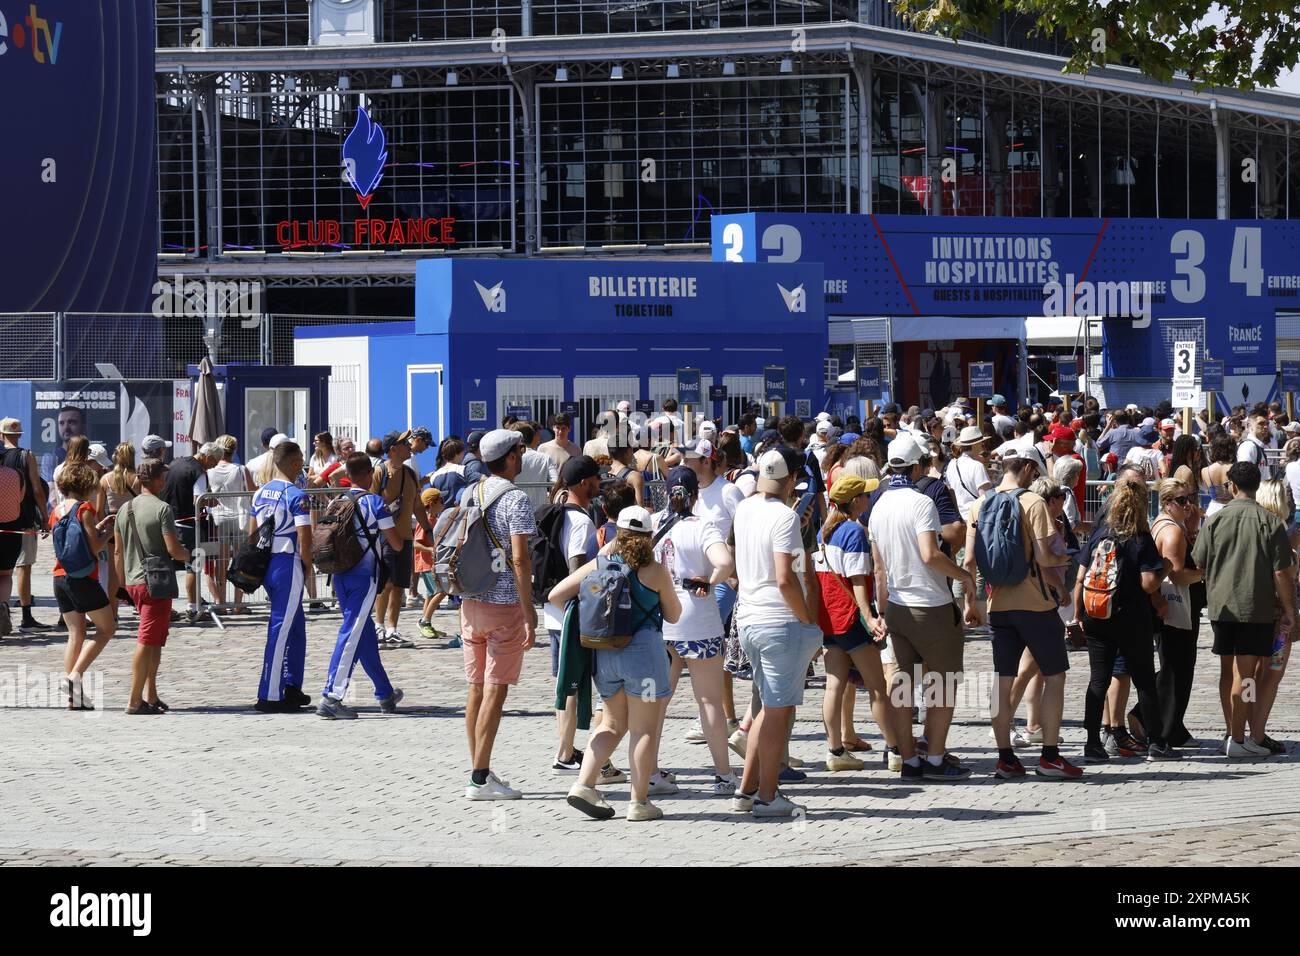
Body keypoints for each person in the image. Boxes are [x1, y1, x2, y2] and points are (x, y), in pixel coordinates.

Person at [555, 505, 682, 821]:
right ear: (649, 536)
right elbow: (674, 615)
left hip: (605, 654)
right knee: (644, 730)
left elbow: (556, 596)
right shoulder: (655, 571)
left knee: (611, 724)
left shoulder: (599, 564)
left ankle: (584, 784)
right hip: (645, 659)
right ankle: (639, 804)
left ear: (619, 534)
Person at [870, 435, 976, 780]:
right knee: (942, 685)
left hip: (897, 606)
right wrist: (964, 574)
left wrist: (882, 610)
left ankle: (909, 760)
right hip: (930, 605)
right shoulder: (920, 502)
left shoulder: (878, 504)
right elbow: (931, 555)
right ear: (917, 466)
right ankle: (933, 758)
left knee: (901, 688)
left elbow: (879, 568)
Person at [729, 447, 825, 816]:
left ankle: (747, 789)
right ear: (789, 481)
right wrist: (808, 622)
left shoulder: (745, 508)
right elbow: (787, 580)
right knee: (777, 713)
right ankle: (768, 796)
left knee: (765, 710)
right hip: (778, 620)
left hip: (750, 617)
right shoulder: (783, 517)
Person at [1192, 462, 1294, 757]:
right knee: (1246, 677)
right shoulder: (1270, 522)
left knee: (1229, 672)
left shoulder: (1214, 520)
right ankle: (1238, 738)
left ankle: (1231, 730)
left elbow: (1199, 561)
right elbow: (1280, 573)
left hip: (1221, 607)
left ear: (1231, 486)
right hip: (1254, 607)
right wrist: (1289, 609)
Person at [650, 467, 739, 794]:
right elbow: (725, 563)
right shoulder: (704, 526)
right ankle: (723, 776)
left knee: (657, 701)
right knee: (709, 702)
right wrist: (710, 581)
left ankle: (650, 771)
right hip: (698, 620)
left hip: (661, 620)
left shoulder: (654, 523)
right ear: (696, 493)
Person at [461, 429, 538, 801]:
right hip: (504, 604)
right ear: (509, 457)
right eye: (520, 450)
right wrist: (529, 611)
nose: (522, 456)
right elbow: (521, 558)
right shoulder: (516, 498)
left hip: (470, 600)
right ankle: (479, 776)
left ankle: (478, 769)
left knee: (475, 689)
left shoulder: (470, 491)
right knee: (495, 690)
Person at [1077, 476, 1172, 762]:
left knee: (1098, 680)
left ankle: (1093, 743)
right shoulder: (1140, 537)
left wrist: (1079, 613)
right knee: (1144, 679)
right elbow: (1148, 583)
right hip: (1131, 617)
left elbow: (1082, 574)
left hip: (1097, 613)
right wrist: (1164, 568)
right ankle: (1157, 743)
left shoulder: (1099, 532)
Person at [317, 453, 408, 719]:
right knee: (351, 632)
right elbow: (396, 543)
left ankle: (385, 693)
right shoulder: (374, 502)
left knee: (363, 631)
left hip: (339, 573)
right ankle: (332, 696)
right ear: (369, 474)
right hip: (363, 575)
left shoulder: (337, 500)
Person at [815, 474, 891, 771]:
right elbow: (859, 581)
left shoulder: (826, 531)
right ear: (856, 501)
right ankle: (896, 749)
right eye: (865, 495)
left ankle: (835, 751)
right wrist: (870, 616)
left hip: (829, 618)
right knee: (878, 687)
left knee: (833, 685)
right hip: (849, 618)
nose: (869, 499)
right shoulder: (853, 532)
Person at [114, 458, 191, 714]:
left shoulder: (126, 509)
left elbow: (117, 552)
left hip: (133, 581)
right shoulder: (162, 508)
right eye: (164, 478)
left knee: (156, 639)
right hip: (155, 583)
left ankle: (151, 694)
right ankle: (135, 700)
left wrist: (121, 585)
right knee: (146, 640)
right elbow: (173, 549)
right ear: (158, 479)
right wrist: (189, 554)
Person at [544, 455, 601, 774]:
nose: (599, 484)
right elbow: (577, 570)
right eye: (595, 479)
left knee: (564, 683)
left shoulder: (560, 512)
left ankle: (565, 748)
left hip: (554, 613)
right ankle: (564, 753)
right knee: (571, 686)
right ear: (583, 483)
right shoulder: (580, 522)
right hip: (571, 614)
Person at [1139, 478, 1205, 751]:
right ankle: (1158, 724)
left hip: (1165, 603)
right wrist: (1203, 573)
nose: (1188, 505)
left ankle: (1170, 725)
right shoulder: (1173, 531)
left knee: (1173, 665)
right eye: (1181, 500)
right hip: (1176, 604)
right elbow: (1176, 573)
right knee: (1178, 668)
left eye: (1189, 498)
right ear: (1167, 503)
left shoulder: (1161, 524)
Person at [250, 441, 314, 713]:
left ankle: (291, 685)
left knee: (294, 625)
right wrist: (307, 566)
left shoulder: (260, 493)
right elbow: (305, 536)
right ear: (295, 463)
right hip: (288, 560)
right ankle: (269, 693)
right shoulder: (296, 495)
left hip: (267, 561)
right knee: (280, 628)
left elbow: (252, 534)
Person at [49, 463, 117, 709]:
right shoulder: (85, 508)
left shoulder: (57, 510)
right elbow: (94, 547)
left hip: (60, 576)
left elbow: (73, 541)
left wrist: (98, 528)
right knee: (107, 629)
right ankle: (73, 677)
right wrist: (108, 532)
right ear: (84, 485)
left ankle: (74, 698)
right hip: (83, 579)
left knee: (75, 635)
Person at [371, 429, 432, 649]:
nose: (409, 446)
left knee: (399, 586)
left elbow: (417, 504)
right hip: (385, 536)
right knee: (385, 584)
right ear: (392, 449)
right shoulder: (380, 473)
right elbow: (371, 503)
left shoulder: (409, 473)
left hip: (405, 536)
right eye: (404, 443)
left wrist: (427, 529)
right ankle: (378, 626)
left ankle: (392, 629)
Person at [160, 441, 218, 623]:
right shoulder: (199, 472)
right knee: (193, 566)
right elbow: (198, 500)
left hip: (167, 521)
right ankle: (192, 607)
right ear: (207, 457)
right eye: (214, 462)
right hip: (188, 524)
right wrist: (212, 501)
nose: (214, 466)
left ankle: (165, 608)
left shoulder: (175, 463)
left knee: (167, 566)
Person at [196, 435, 255, 612]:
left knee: (220, 563)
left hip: (218, 518)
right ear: (234, 449)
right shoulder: (240, 469)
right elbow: (252, 491)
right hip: (239, 518)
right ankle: (238, 603)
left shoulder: (209, 470)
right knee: (239, 562)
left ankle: (220, 602)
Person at [1, 417, 48, 634]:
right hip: (24, 519)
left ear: (2, 435)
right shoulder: (25, 455)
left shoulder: (1, 458)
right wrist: (45, 516)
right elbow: (37, 489)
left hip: (4, 519)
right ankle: (26, 617)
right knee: (23, 567)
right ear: (19, 434)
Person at [413, 487, 451, 640]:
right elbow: (416, 543)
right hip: (428, 564)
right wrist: (430, 549)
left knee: (430, 594)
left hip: (432, 564)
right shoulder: (426, 521)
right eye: (441, 500)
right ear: (431, 503)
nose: (443, 502)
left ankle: (425, 623)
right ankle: (424, 622)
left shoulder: (435, 520)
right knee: (441, 591)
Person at [1237, 411, 1273, 480]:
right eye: (1261, 423)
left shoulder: (1258, 445)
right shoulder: (1248, 446)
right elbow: (1244, 475)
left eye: (1267, 424)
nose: (1265, 427)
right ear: (1249, 426)